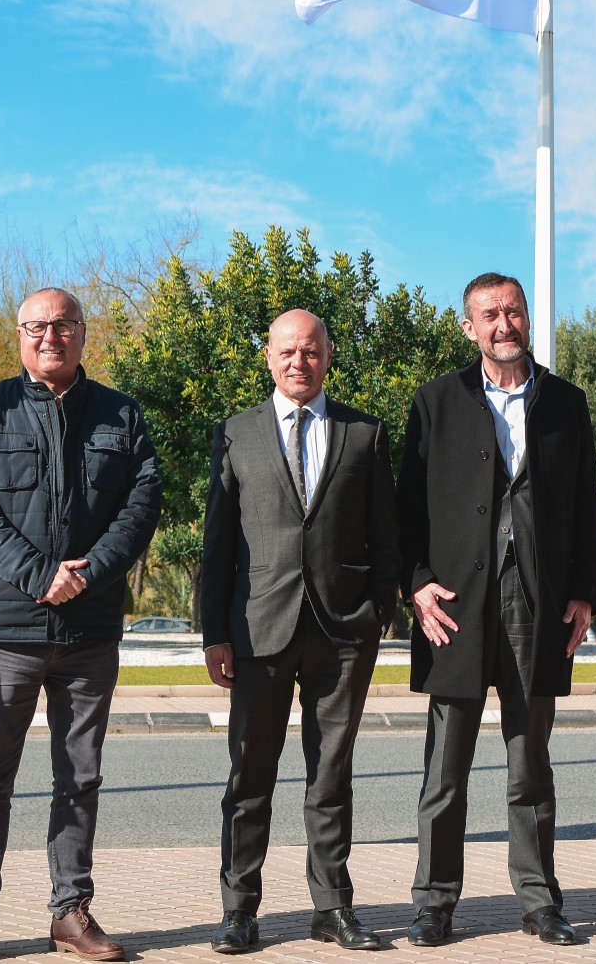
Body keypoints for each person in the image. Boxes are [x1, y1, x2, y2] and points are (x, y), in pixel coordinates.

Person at [0, 288, 161, 964]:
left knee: (80, 775)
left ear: (83, 332)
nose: (50, 335)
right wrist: (37, 573)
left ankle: (71, 912)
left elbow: (143, 501)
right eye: (36, 326)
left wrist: (93, 570)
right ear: (19, 335)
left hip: (89, 630)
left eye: (62, 325)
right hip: (5, 630)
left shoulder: (122, 413)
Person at [398, 272, 596, 948]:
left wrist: (583, 592)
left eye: (512, 310)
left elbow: (584, 505)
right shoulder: (434, 402)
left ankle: (541, 901)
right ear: (469, 326)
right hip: (454, 603)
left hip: (536, 602)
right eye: (489, 314)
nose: (503, 323)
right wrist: (418, 582)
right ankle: (433, 901)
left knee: (529, 764)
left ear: (527, 317)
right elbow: (406, 507)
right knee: (444, 768)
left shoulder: (566, 403)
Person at [200, 310, 401, 955]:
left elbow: (386, 535)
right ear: (268, 357)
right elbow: (218, 544)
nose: (299, 362)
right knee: (249, 773)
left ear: (327, 356)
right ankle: (239, 910)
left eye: (310, 351)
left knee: (331, 772)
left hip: (343, 632)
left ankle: (332, 907)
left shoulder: (363, 434)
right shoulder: (235, 434)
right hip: (257, 629)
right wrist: (214, 632)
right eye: (287, 351)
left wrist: (376, 613)